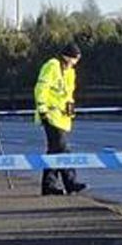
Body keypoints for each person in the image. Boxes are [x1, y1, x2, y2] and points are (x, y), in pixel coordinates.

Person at [34, 43, 86, 196]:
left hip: (62, 118)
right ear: (67, 57)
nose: (75, 62)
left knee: (54, 150)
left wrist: (70, 108)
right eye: (75, 59)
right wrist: (42, 109)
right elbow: (41, 88)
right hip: (50, 115)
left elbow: (68, 94)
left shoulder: (70, 72)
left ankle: (48, 186)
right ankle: (70, 183)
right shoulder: (52, 66)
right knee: (63, 149)